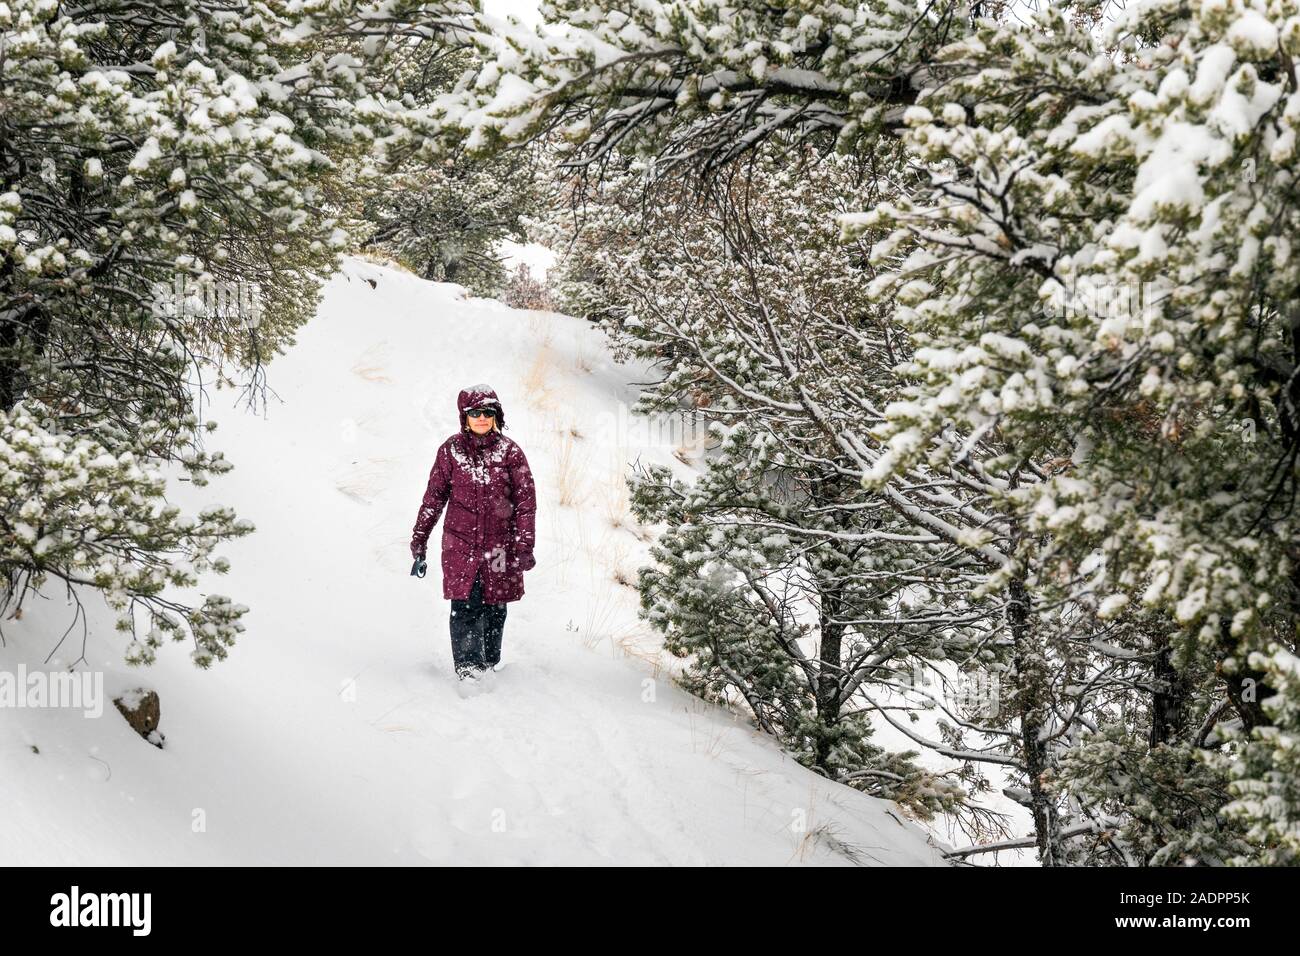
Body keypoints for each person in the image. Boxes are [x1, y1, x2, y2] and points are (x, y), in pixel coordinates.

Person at [409, 384, 537, 684]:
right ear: (464, 417)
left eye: (488, 413)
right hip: (460, 545)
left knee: (495, 605)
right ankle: (469, 669)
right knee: (466, 605)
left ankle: (489, 662)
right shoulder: (451, 451)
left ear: (497, 416)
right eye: (475, 413)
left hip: (499, 548)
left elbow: (526, 505)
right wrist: (420, 538)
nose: (481, 418)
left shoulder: (511, 453)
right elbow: (434, 499)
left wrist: (523, 545)